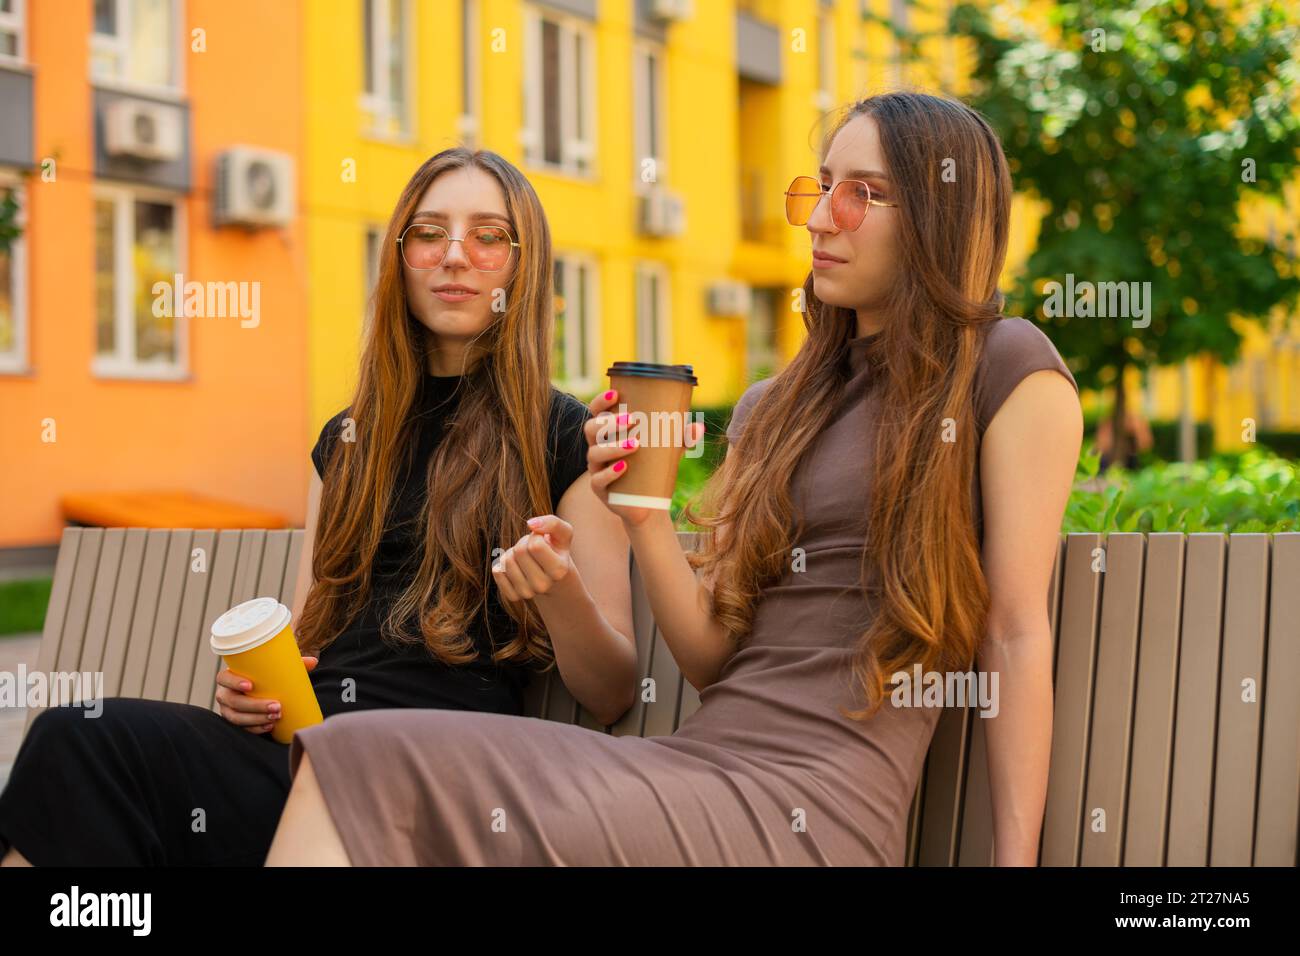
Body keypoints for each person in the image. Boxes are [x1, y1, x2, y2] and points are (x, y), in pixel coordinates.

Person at [266, 91, 1084, 867]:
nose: (822, 218)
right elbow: (710, 661)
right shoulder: (778, 404)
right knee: (348, 755)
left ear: (940, 216)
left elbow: (1014, 630)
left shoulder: (1005, 369)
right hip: (701, 771)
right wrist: (643, 516)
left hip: (815, 812)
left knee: (361, 757)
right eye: (824, 185)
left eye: (863, 193)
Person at [0, 147, 636, 866]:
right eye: (429, 233)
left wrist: (560, 592)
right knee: (78, 738)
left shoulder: (563, 438)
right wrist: (257, 692)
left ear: (524, 266)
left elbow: (611, 690)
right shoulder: (346, 439)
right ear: (400, 259)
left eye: (488, 235)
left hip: (445, 776)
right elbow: (310, 635)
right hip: (310, 757)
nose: (455, 255)